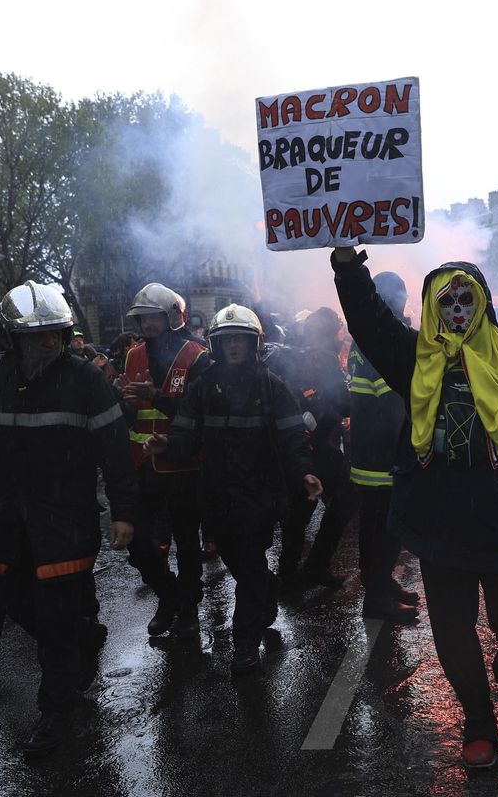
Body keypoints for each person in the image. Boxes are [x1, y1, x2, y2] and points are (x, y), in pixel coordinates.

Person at [330, 246, 498, 770]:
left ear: (483, 305)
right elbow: (371, 324)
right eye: (447, 301)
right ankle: (479, 722)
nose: (458, 309)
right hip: (440, 527)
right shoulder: (415, 360)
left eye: (467, 299)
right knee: (452, 630)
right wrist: (349, 268)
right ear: (432, 308)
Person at [0, 280, 137, 758]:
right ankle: (83, 637)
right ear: (11, 337)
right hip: (6, 521)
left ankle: (55, 714)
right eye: (37, 335)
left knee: (55, 618)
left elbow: (115, 451)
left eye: (55, 333)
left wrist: (125, 512)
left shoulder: (85, 379)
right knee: (19, 606)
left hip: (64, 521)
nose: (49, 342)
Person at [145, 304, 321, 674]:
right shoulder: (203, 387)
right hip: (217, 494)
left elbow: (293, 437)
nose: (234, 346)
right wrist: (168, 446)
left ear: (253, 343)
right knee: (236, 559)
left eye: (240, 339)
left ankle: (244, 644)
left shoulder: (271, 386)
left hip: (259, 493)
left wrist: (305, 472)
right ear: (217, 345)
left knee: (250, 561)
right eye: (228, 341)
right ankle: (265, 590)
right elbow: (186, 432)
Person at [120, 283, 211, 639]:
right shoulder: (132, 355)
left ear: (172, 317)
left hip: (183, 466)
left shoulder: (197, 356)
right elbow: (131, 416)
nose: (147, 324)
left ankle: (187, 608)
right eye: (142, 318)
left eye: (153, 317)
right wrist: (125, 403)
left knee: (187, 544)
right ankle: (168, 594)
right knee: (136, 540)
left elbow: (199, 414)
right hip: (143, 466)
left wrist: (156, 396)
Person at [347, 271, 419, 623]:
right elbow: (394, 401)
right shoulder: (379, 340)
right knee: (387, 529)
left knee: (375, 525)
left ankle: (382, 583)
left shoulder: (367, 336)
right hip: (385, 453)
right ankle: (376, 597)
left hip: (370, 449)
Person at [275, 306, 359, 591]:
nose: (341, 336)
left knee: (300, 511)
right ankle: (314, 566)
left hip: (294, 446)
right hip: (317, 446)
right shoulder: (325, 357)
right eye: (338, 330)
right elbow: (342, 403)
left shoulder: (295, 354)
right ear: (330, 332)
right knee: (346, 498)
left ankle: (289, 573)